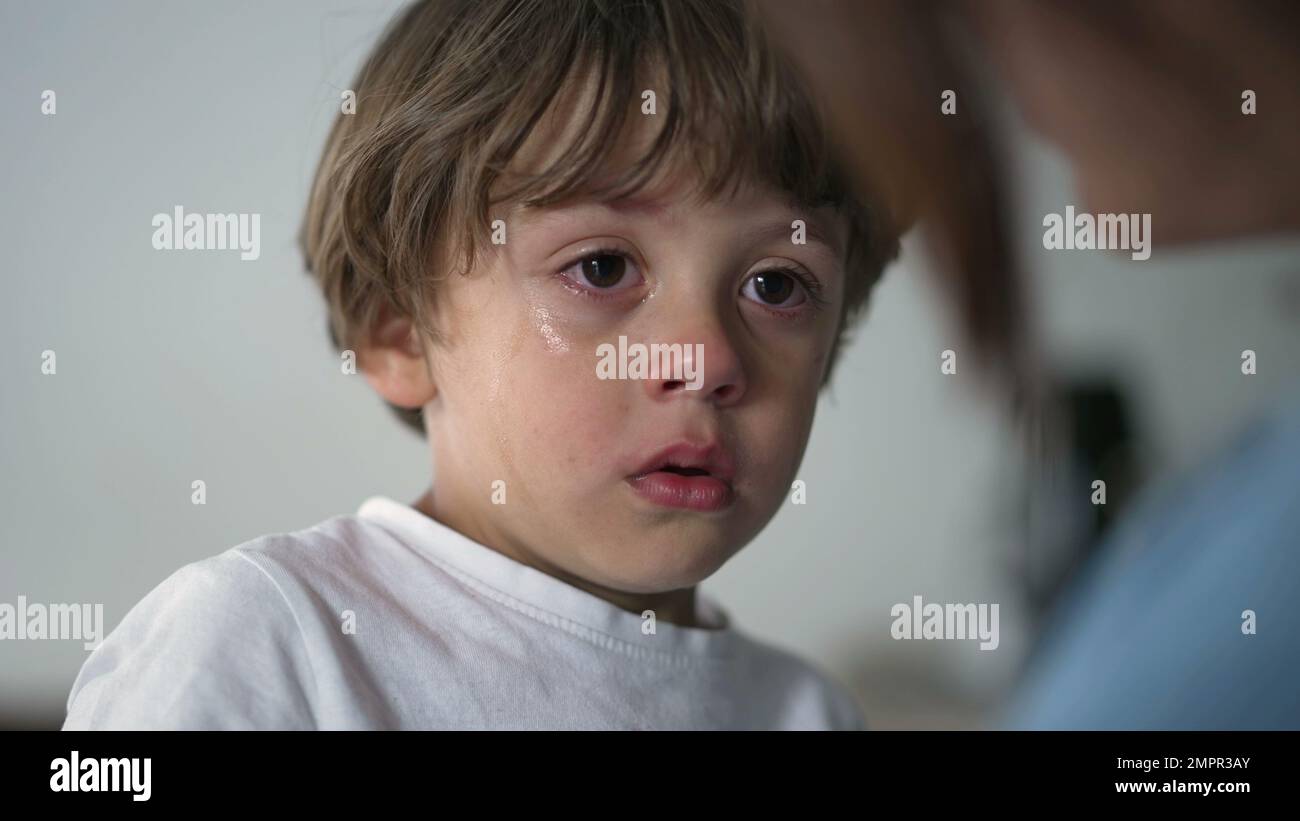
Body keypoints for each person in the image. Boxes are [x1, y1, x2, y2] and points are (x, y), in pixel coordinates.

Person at [62, 0, 900, 730]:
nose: (708, 359)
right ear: (399, 334)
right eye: (603, 268)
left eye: (776, 284)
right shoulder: (266, 642)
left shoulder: (809, 712)